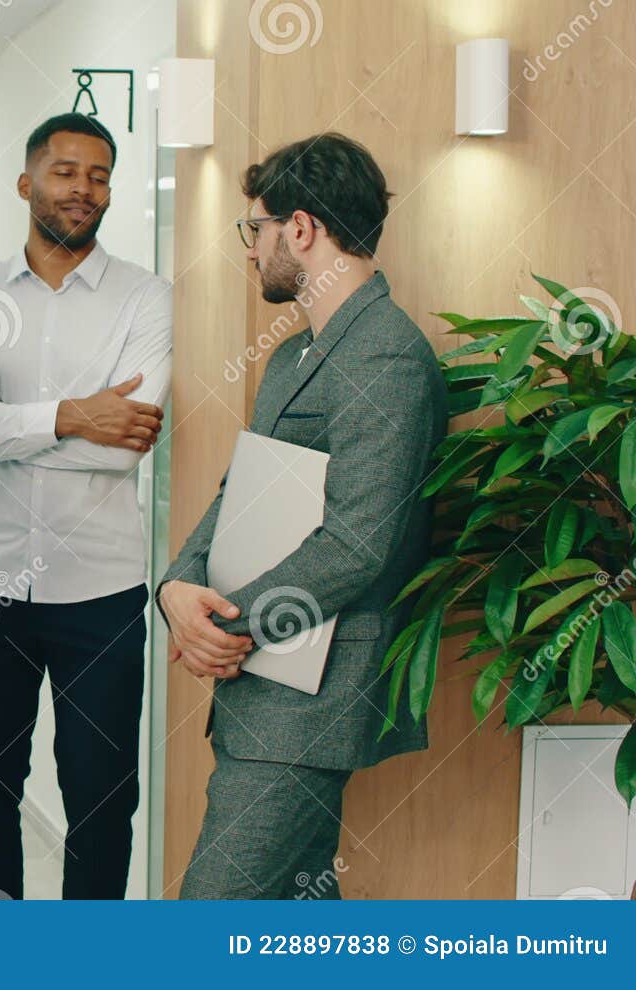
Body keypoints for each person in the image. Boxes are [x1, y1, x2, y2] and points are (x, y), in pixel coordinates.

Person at [157, 133, 444, 899]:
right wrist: (176, 588)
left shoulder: (388, 354)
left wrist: (226, 621)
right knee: (297, 922)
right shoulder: (294, 356)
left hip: (310, 700)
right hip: (265, 686)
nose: (251, 252)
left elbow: (359, 544)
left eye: (257, 230)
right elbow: (236, 493)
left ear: (303, 228)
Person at [0, 113, 172, 900]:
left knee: (103, 798)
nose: (83, 190)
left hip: (99, 591)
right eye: (65, 172)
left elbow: (126, 442)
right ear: (27, 183)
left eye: (98, 176)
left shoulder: (147, 298)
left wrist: (1, 412)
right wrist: (66, 414)